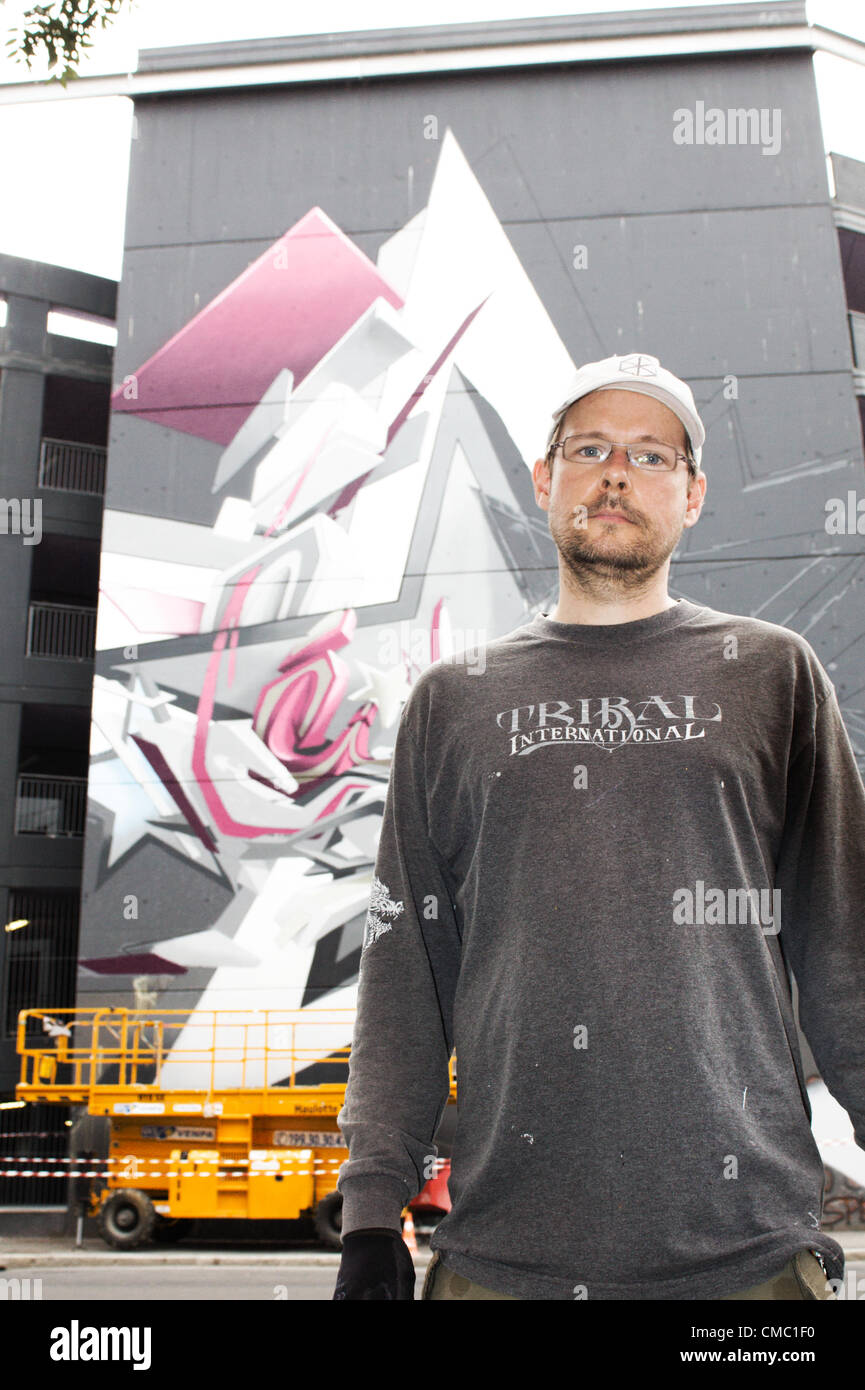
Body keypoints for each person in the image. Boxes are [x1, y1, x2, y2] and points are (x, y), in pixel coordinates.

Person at [332, 352, 864, 1301]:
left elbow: (845, 944)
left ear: (693, 495)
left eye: (652, 456)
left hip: (749, 1263)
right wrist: (374, 1212)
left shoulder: (771, 673)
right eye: (589, 447)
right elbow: (406, 968)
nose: (617, 472)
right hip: (502, 1260)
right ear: (545, 480)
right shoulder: (455, 702)